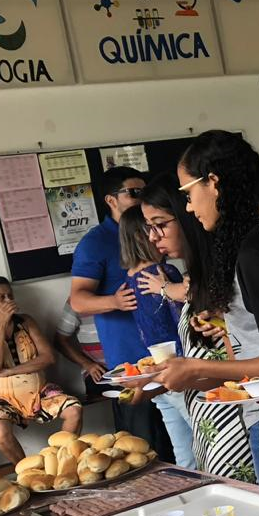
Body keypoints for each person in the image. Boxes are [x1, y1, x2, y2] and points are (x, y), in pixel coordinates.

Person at [155, 132, 259, 498]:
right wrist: (230, 326)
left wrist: (199, 368)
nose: (187, 207)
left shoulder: (253, 251)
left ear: (212, 182)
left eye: (187, 194)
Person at [137, 177, 259, 482]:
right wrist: (163, 380)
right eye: (147, 228)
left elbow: (256, 358)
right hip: (207, 420)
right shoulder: (196, 275)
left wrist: (191, 367)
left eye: (160, 224)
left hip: (237, 422)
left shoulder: (230, 270)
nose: (153, 237)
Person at [69, 165, 172, 457]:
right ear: (111, 200)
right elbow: (77, 301)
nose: (142, 197)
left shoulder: (156, 228)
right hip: (131, 364)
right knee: (145, 451)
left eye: (145, 189)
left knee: (182, 445)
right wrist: (113, 302)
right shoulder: (95, 242)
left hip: (169, 360)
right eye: (133, 192)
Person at [0, 275, 82, 464]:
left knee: (74, 411)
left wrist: (12, 371)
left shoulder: (26, 321)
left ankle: (57, 462)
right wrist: (2, 324)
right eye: (1, 297)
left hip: (37, 393)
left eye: (10, 296)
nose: (9, 301)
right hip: (0, 397)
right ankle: (28, 470)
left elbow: (48, 357)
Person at [115, 205, 195, 469]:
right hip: (182, 371)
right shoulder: (163, 275)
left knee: (183, 453)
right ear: (142, 236)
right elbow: (183, 318)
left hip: (156, 371)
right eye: (152, 228)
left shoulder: (129, 281)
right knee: (204, 441)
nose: (156, 237)